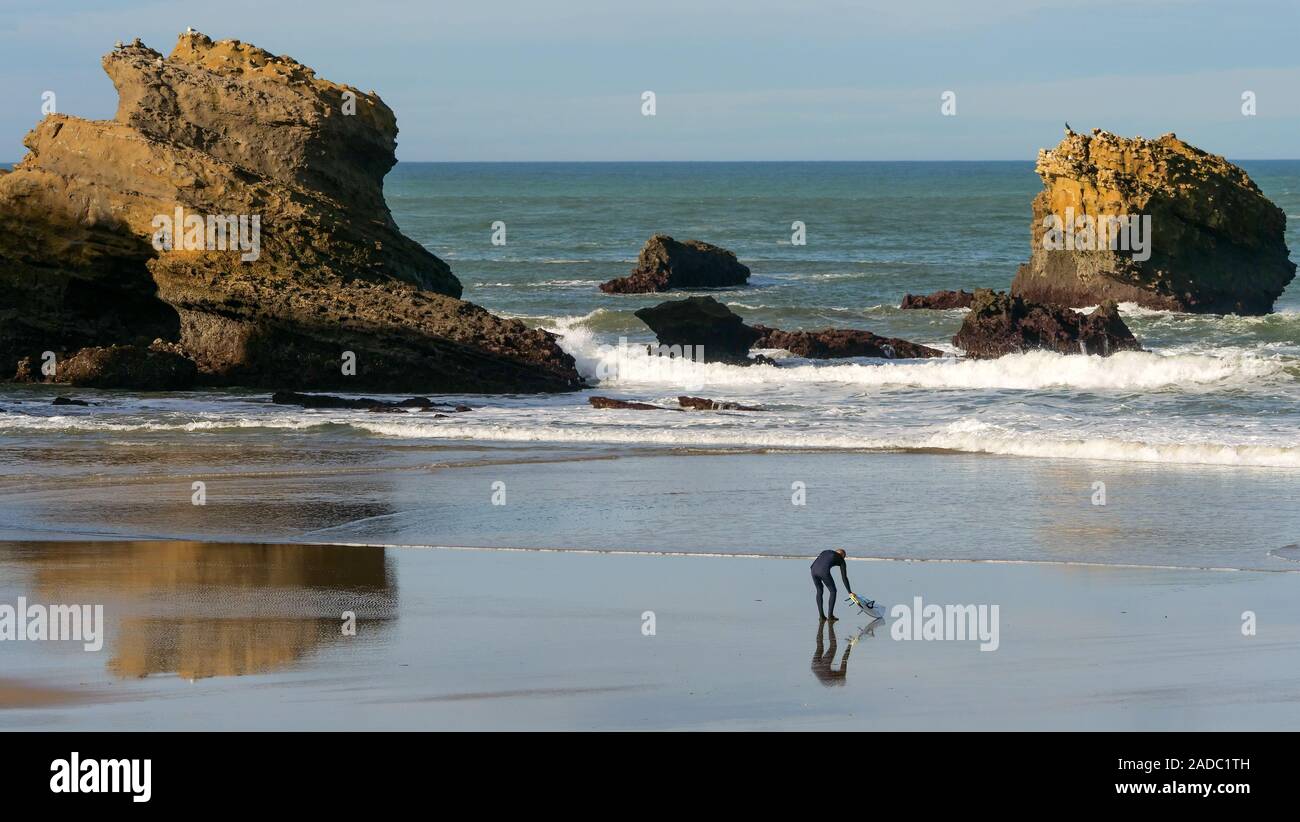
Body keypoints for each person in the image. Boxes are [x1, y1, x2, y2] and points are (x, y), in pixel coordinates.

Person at [810, 547, 855, 622]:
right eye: (844, 556)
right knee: (833, 591)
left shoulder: (825, 551)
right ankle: (830, 616)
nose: (843, 559)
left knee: (819, 591)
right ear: (842, 555)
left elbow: (817, 562)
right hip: (823, 571)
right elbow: (844, 577)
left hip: (813, 570)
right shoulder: (840, 559)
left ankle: (821, 617)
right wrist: (849, 592)